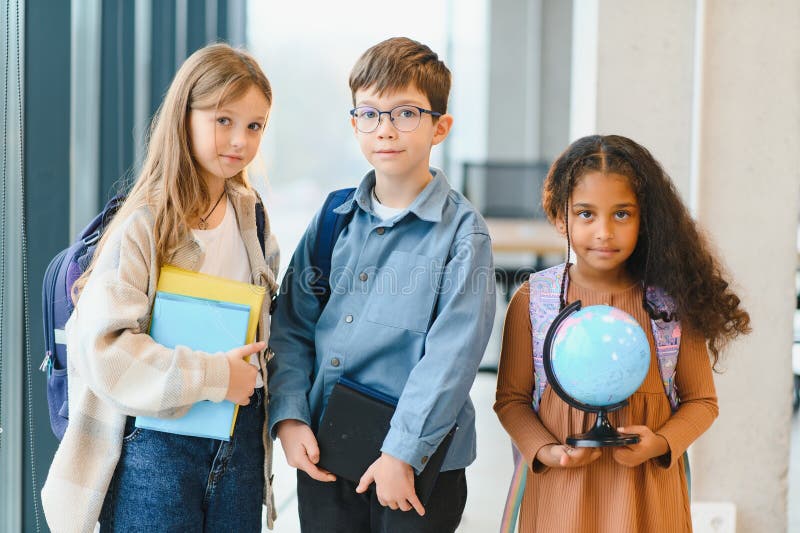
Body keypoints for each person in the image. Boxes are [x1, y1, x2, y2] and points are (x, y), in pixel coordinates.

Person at [41, 43, 280, 532]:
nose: (239, 140)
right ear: (184, 116)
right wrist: (216, 376)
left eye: (254, 126)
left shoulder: (251, 215)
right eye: (223, 120)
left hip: (238, 440)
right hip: (154, 448)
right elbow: (107, 353)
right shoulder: (144, 223)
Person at [268, 37, 495, 533]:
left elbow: (451, 358)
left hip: (416, 466)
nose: (386, 130)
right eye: (370, 114)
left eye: (406, 113)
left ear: (440, 127)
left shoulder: (463, 233)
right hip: (326, 450)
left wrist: (402, 453)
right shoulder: (332, 217)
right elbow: (291, 326)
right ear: (355, 124)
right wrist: (288, 416)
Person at [494, 134, 751, 532]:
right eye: (585, 214)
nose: (603, 232)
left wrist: (661, 443)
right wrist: (545, 450)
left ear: (645, 218)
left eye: (621, 214)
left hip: (647, 494)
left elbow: (701, 400)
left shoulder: (671, 303)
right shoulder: (534, 300)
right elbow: (511, 400)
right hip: (562, 494)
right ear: (560, 214)